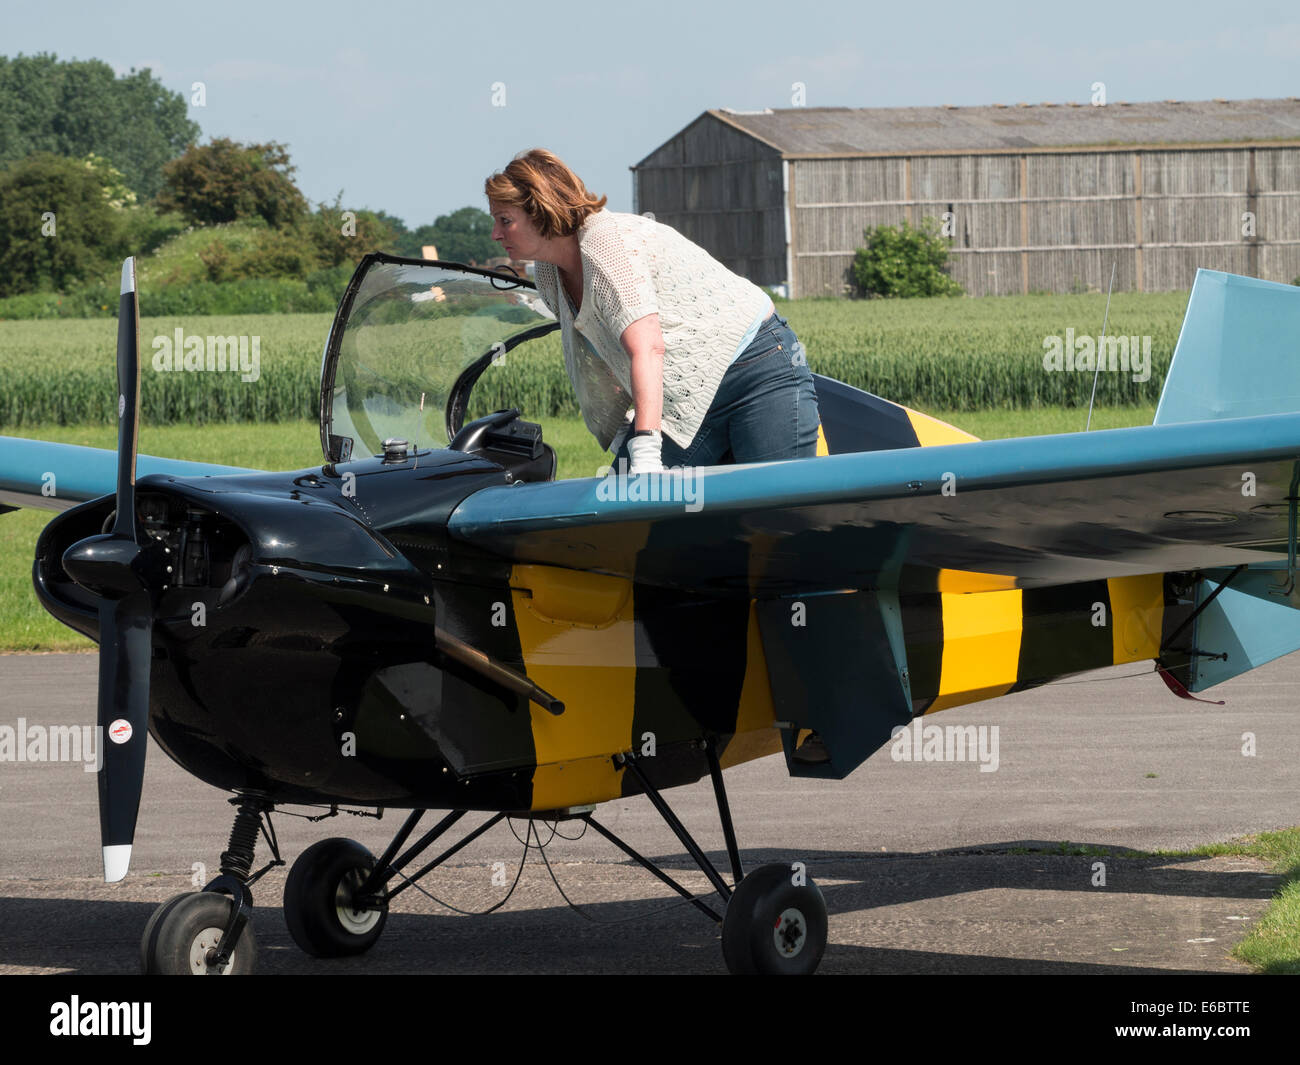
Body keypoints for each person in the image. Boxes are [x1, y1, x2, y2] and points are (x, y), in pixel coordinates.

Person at [485, 148, 820, 473]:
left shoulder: (605, 242)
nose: (495, 234)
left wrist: (644, 450)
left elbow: (647, 347)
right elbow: (598, 350)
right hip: (683, 392)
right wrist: (621, 431)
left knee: (777, 513)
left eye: (505, 220)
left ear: (542, 210)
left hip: (757, 368)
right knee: (627, 516)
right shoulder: (548, 273)